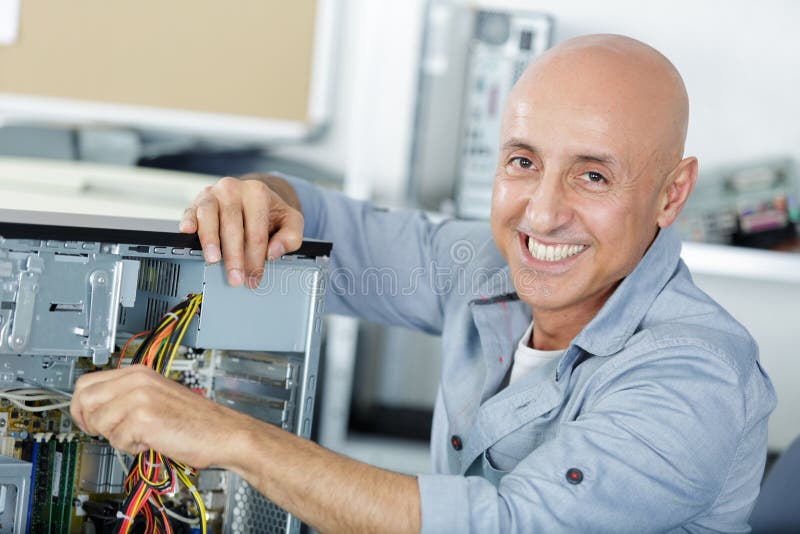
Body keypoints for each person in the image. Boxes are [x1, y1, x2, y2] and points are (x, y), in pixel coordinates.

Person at [70, 34, 776, 532]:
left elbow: (505, 527)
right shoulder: (486, 264)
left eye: (593, 175)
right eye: (523, 162)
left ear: (671, 192)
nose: (543, 212)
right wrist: (255, 197)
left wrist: (233, 438)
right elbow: (318, 225)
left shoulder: (694, 373)